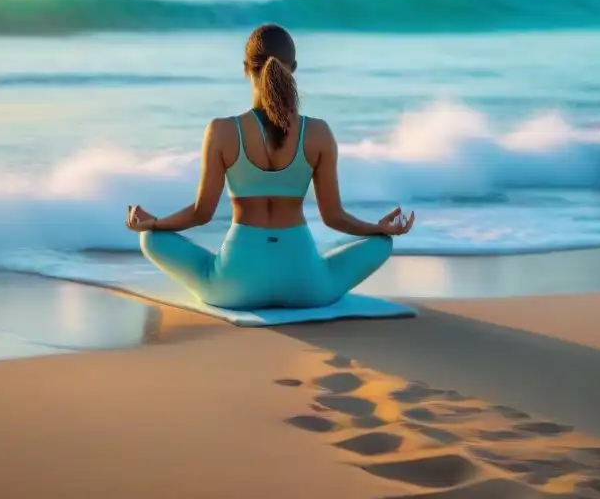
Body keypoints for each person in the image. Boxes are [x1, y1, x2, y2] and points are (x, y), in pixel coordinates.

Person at [126, 23, 414, 310]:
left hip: (235, 286)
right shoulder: (318, 133)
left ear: (245, 68)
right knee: (381, 244)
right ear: (295, 67)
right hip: (305, 286)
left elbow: (202, 214)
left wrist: (154, 224)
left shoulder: (223, 131)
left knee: (150, 240)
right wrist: (377, 228)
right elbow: (334, 217)